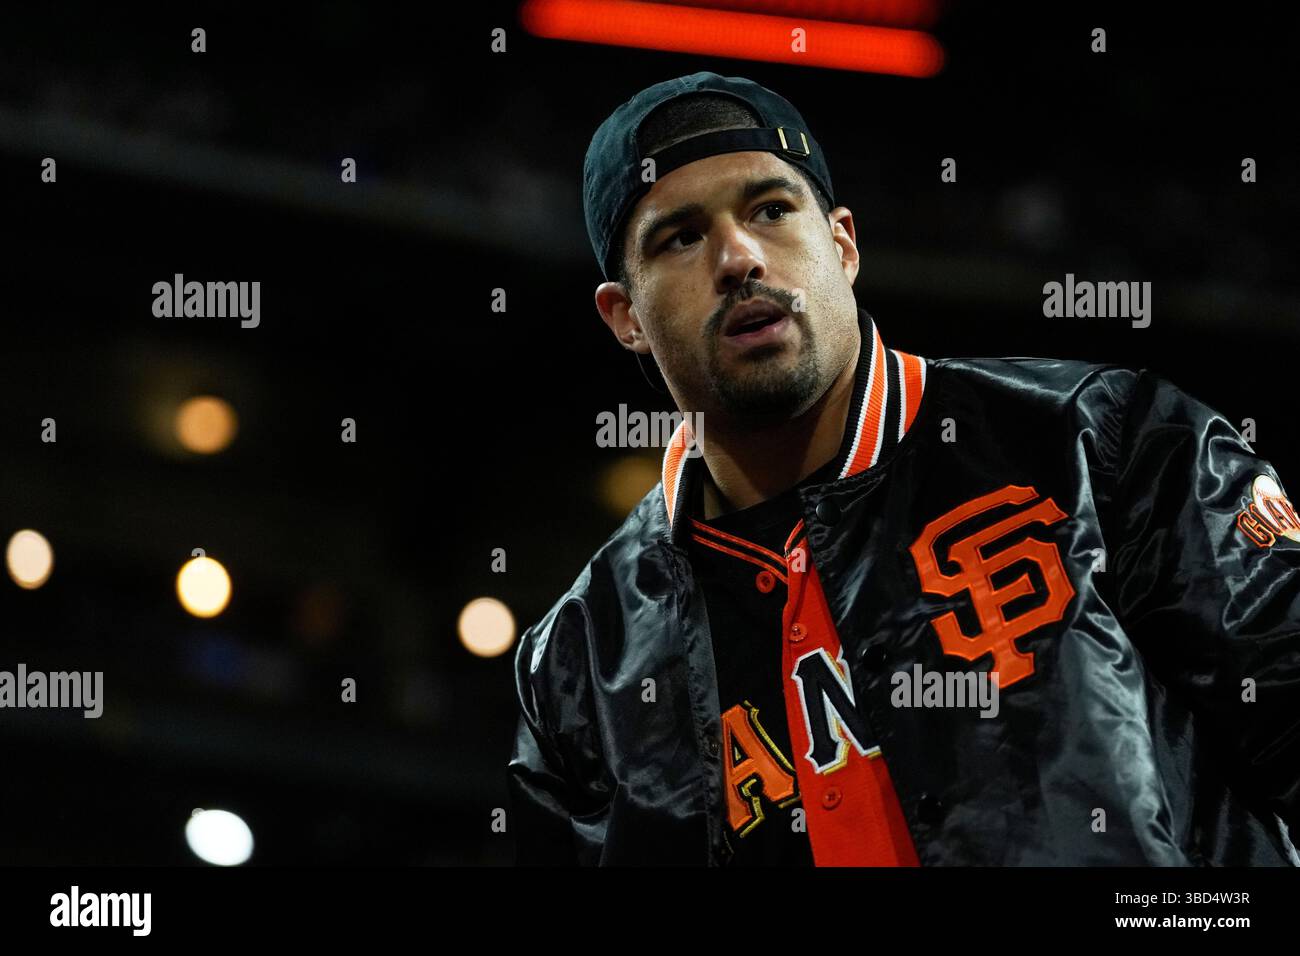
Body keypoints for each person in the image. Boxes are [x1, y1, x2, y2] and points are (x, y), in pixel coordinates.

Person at [507, 71, 1300, 866]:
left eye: (772, 210)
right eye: (680, 236)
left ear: (843, 245)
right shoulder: (582, 663)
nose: (739, 256)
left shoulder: (1104, 439)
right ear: (626, 318)